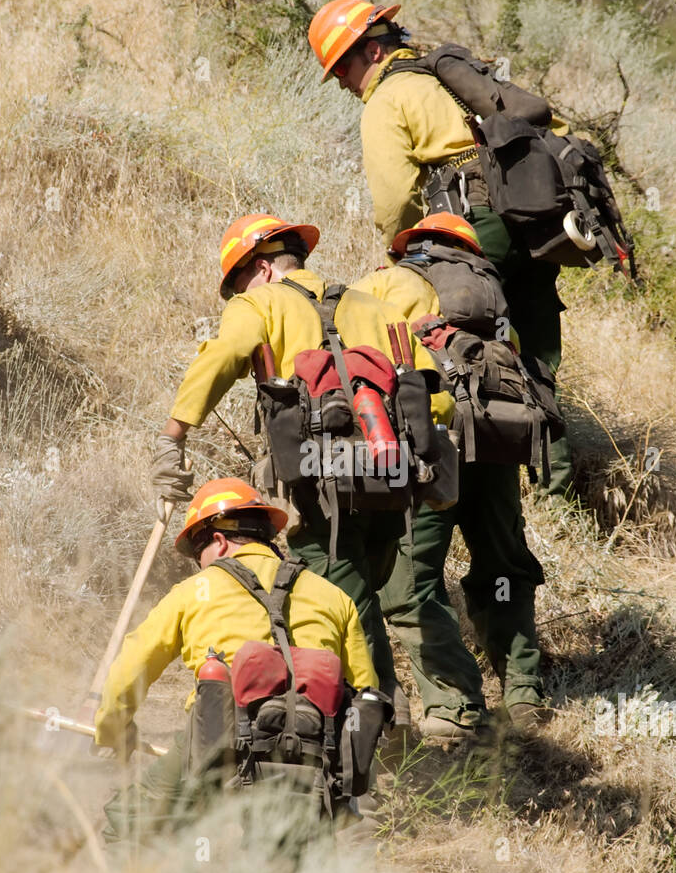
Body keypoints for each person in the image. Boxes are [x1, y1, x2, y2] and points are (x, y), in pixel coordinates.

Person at [149, 212, 453, 719]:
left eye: (239, 280)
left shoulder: (261, 302)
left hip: (320, 482)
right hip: (392, 480)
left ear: (263, 267)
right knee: (359, 589)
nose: (238, 292)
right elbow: (433, 398)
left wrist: (173, 435)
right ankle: (385, 713)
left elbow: (223, 357)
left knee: (335, 599)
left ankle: (378, 724)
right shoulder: (376, 307)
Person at [307, 0, 574, 500]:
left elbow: (395, 199)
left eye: (341, 66)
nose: (342, 81)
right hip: (531, 218)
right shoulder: (441, 79)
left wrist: (404, 261)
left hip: (472, 227)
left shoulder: (390, 98)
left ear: (371, 50)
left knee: (456, 339)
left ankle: (474, 479)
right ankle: (555, 485)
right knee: (533, 347)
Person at [355, 212, 551, 741]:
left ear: (410, 246)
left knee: (412, 581)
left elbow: (354, 354)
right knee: (502, 569)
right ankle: (524, 693)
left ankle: (455, 705)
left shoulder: (387, 281)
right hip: (497, 443)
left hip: (434, 447)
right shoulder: (494, 293)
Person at [97, 478, 379, 842]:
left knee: (128, 824)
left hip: (220, 745)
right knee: (304, 861)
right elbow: (366, 693)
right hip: (313, 756)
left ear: (218, 541)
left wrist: (114, 730)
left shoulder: (194, 592)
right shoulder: (334, 596)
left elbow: (130, 669)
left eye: (197, 554)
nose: (199, 566)